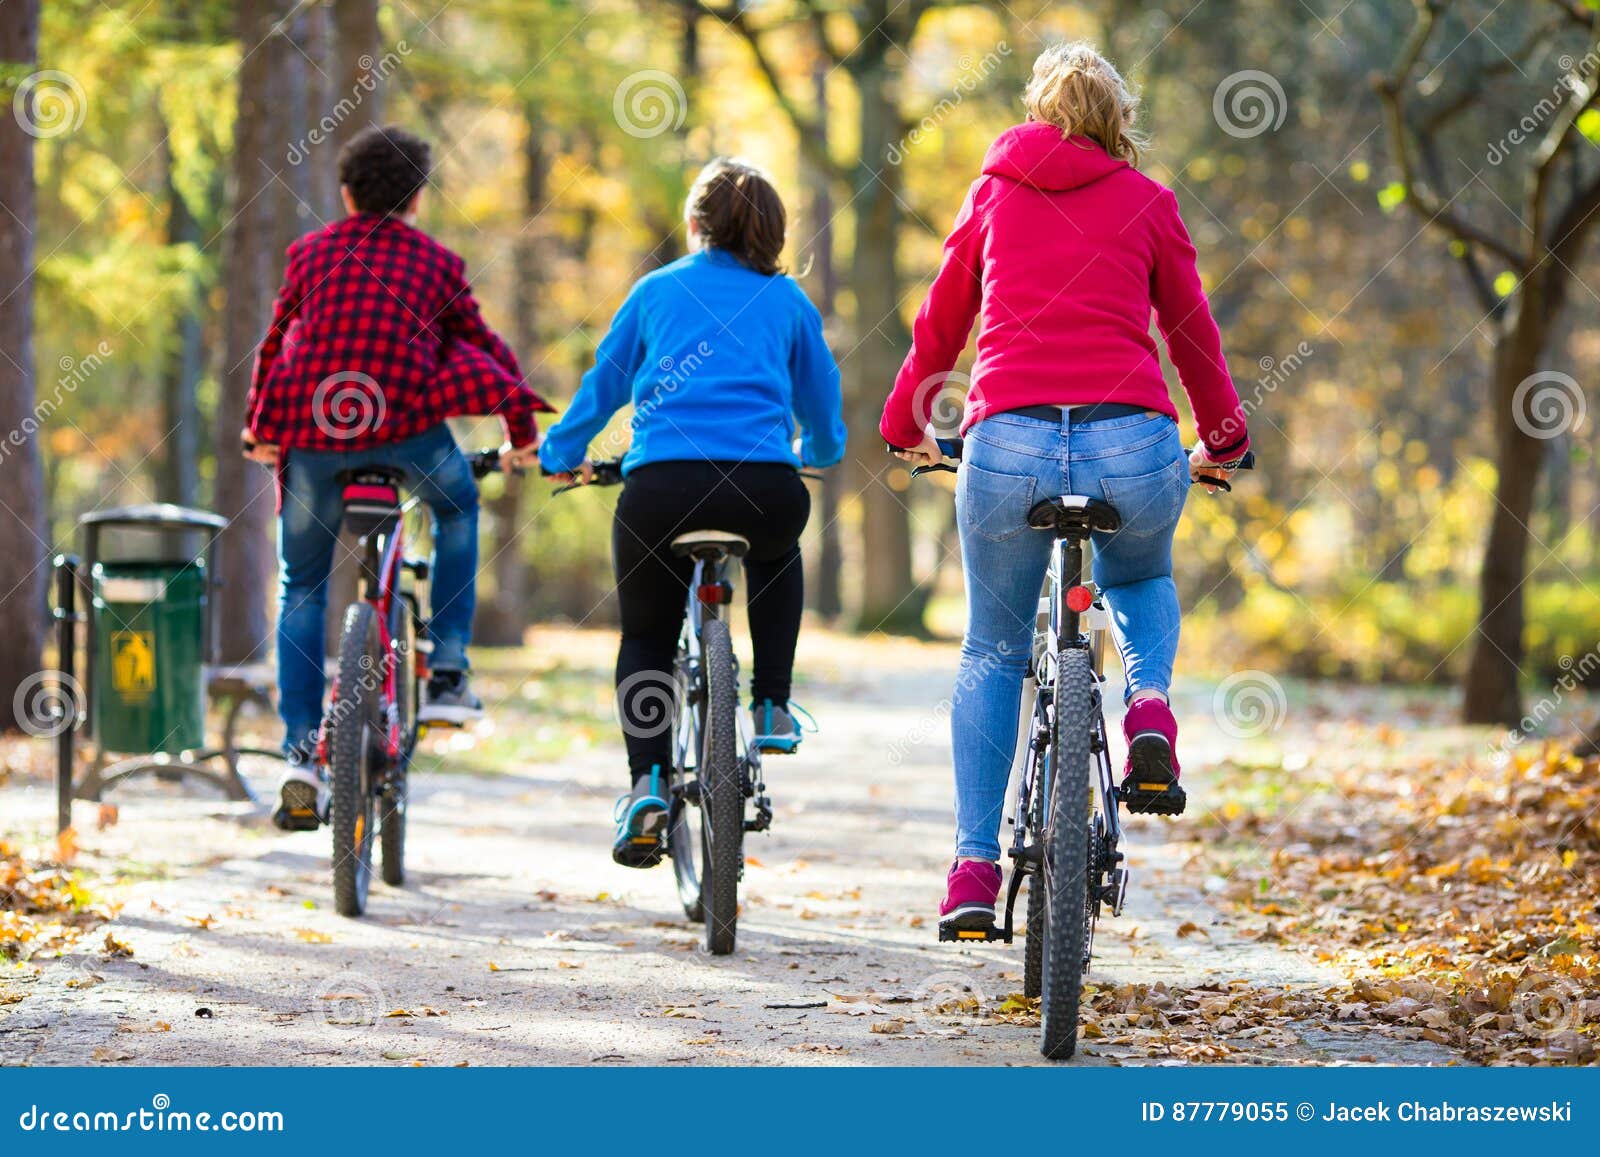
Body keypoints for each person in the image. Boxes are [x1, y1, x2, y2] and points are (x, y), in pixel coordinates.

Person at [879, 44, 1250, 932]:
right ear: (1118, 121)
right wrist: (1225, 435)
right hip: (1135, 441)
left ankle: (973, 868)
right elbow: (1192, 330)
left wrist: (904, 423)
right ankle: (1148, 703)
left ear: (1041, 113)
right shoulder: (1148, 202)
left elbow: (940, 322)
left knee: (992, 652)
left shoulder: (993, 193)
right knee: (1140, 579)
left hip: (1006, 441)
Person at [243, 125, 553, 831]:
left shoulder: (309, 253)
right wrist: (522, 436)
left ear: (347, 193)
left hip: (314, 434)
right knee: (459, 508)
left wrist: (262, 428)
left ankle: (299, 755)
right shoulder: (438, 262)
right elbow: (485, 346)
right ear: (417, 197)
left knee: (304, 584)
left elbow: (275, 342)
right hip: (408, 430)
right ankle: (447, 669)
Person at [539, 157, 847, 868]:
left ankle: (647, 781)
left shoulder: (654, 290)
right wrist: (816, 450)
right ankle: (770, 706)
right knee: (777, 549)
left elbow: (603, 385)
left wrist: (561, 451)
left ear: (696, 224)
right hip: (763, 487)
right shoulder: (789, 301)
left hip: (661, 491)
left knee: (646, 635)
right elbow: (824, 411)